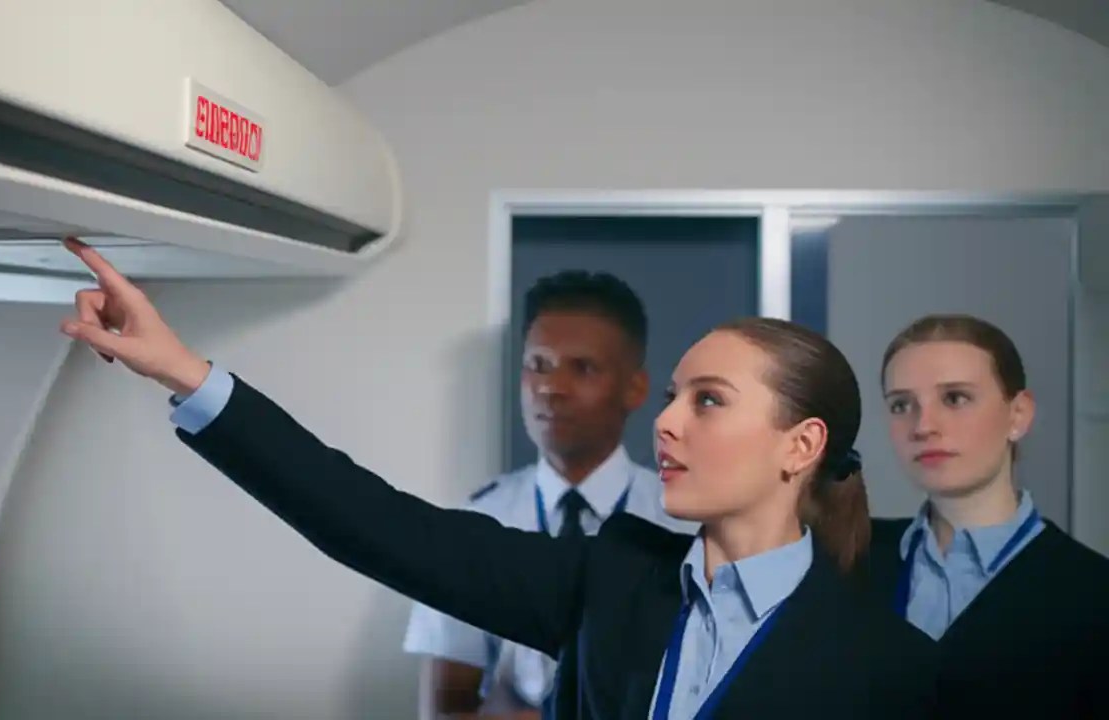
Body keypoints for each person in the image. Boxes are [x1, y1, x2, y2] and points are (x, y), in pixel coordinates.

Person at [58, 237, 937, 719]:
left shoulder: (887, 668)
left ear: (800, 445)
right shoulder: (610, 576)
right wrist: (184, 372)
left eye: (708, 401)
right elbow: (371, 521)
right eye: (671, 395)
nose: (666, 420)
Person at [402, 270, 697, 719]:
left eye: (583, 368)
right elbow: (442, 711)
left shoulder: (685, 523)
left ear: (635, 388)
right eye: (538, 364)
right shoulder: (476, 523)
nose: (550, 387)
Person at [861, 313, 1109, 716]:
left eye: (955, 398)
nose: (924, 426)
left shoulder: (1093, 596)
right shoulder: (848, 562)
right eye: (902, 404)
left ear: (1018, 415)